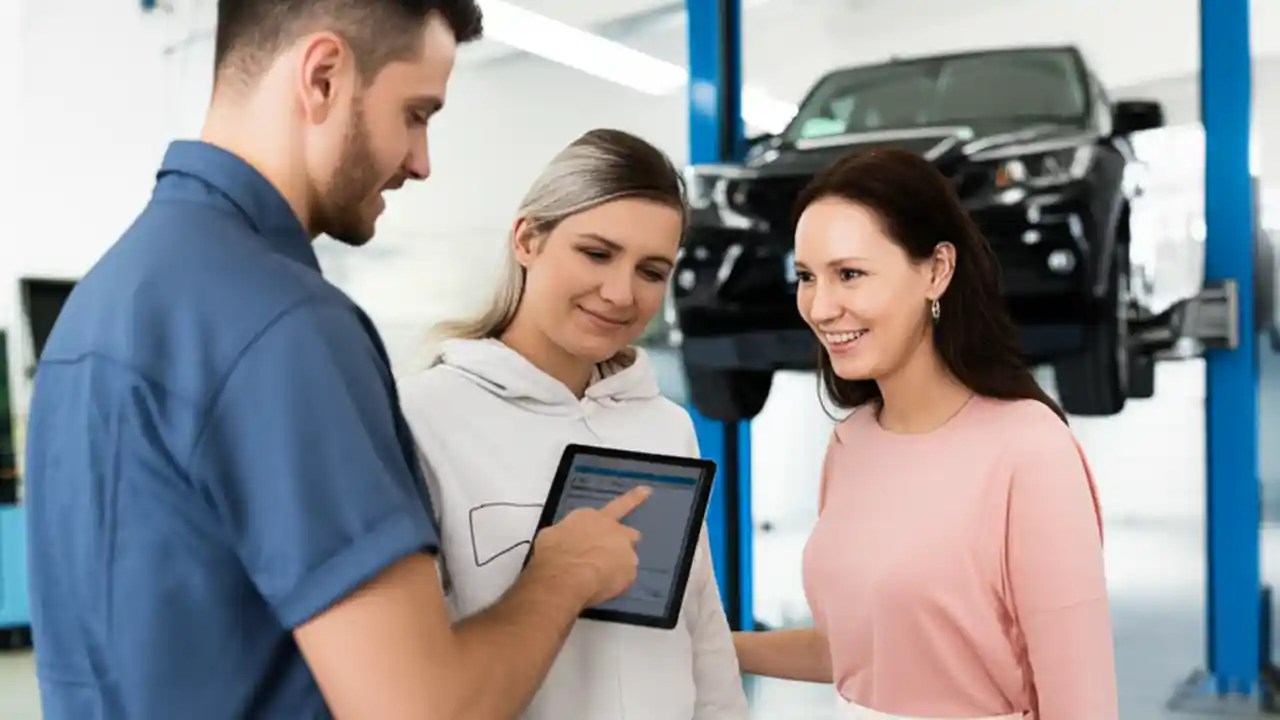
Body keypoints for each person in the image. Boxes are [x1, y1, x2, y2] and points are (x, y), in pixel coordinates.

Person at [23, 3, 653, 719]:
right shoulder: (285, 325)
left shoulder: (104, 300)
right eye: (416, 114)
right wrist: (560, 577)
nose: (421, 161)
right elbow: (424, 709)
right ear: (323, 76)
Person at [731, 148, 1118, 720]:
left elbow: (1082, 704)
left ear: (936, 270)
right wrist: (709, 645)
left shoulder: (1030, 450)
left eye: (850, 274)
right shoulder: (851, 445)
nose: (820, 305)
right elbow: (865, 648)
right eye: (807, 278)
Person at [398, 128, 750, 719]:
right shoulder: (423, 417)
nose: (620, 293)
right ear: (528, 239)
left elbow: (702, 633)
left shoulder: (666, 428)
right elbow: (405, 672)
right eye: (597, 253)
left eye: (652, 270)